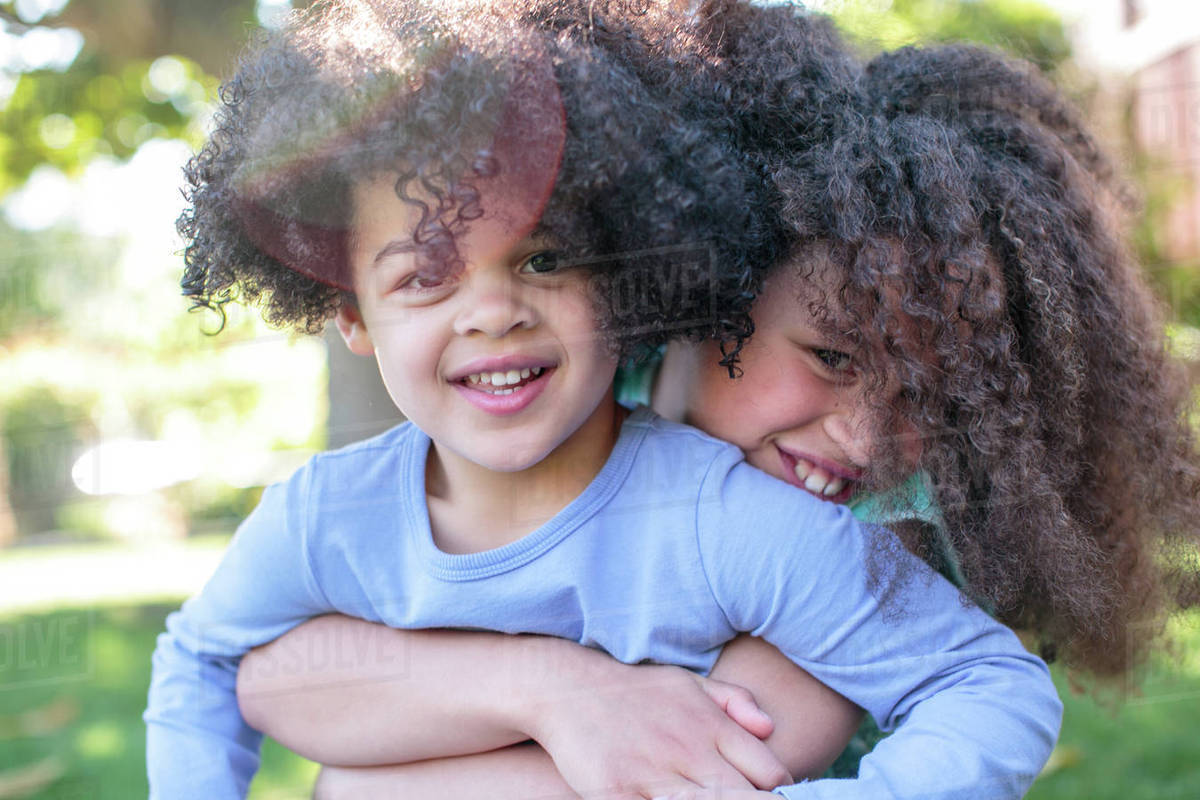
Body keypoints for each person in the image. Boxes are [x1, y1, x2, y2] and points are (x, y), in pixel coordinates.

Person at [234, 1, 1200, 797]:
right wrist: (543, 687)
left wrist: (380, 762)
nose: (868, 434)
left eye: (933, 395)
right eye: (828, 355)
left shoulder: (891, 536)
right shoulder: (570, 406)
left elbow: (683, 769)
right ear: (712, 283)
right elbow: (276, 671)